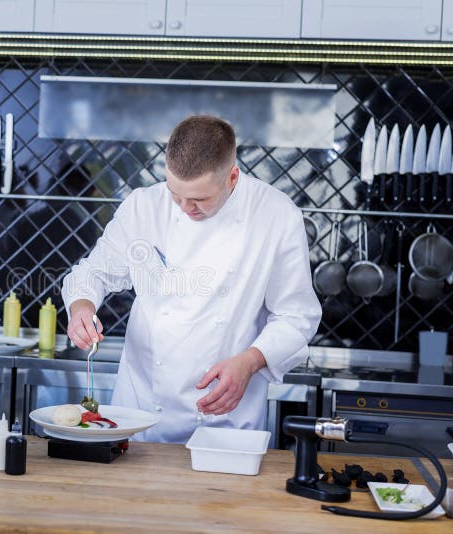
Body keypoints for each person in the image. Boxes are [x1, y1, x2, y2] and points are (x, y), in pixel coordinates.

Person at [62, 115, 322, 444]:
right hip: (142, 417)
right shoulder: (143, 206)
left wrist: (249, 362)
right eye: (175, 194)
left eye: (200, 199)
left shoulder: (276, 216)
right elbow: (94, 271)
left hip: (226, 422)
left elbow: (296, 316)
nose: (186, 208)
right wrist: (81, 308)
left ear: (232, 177)